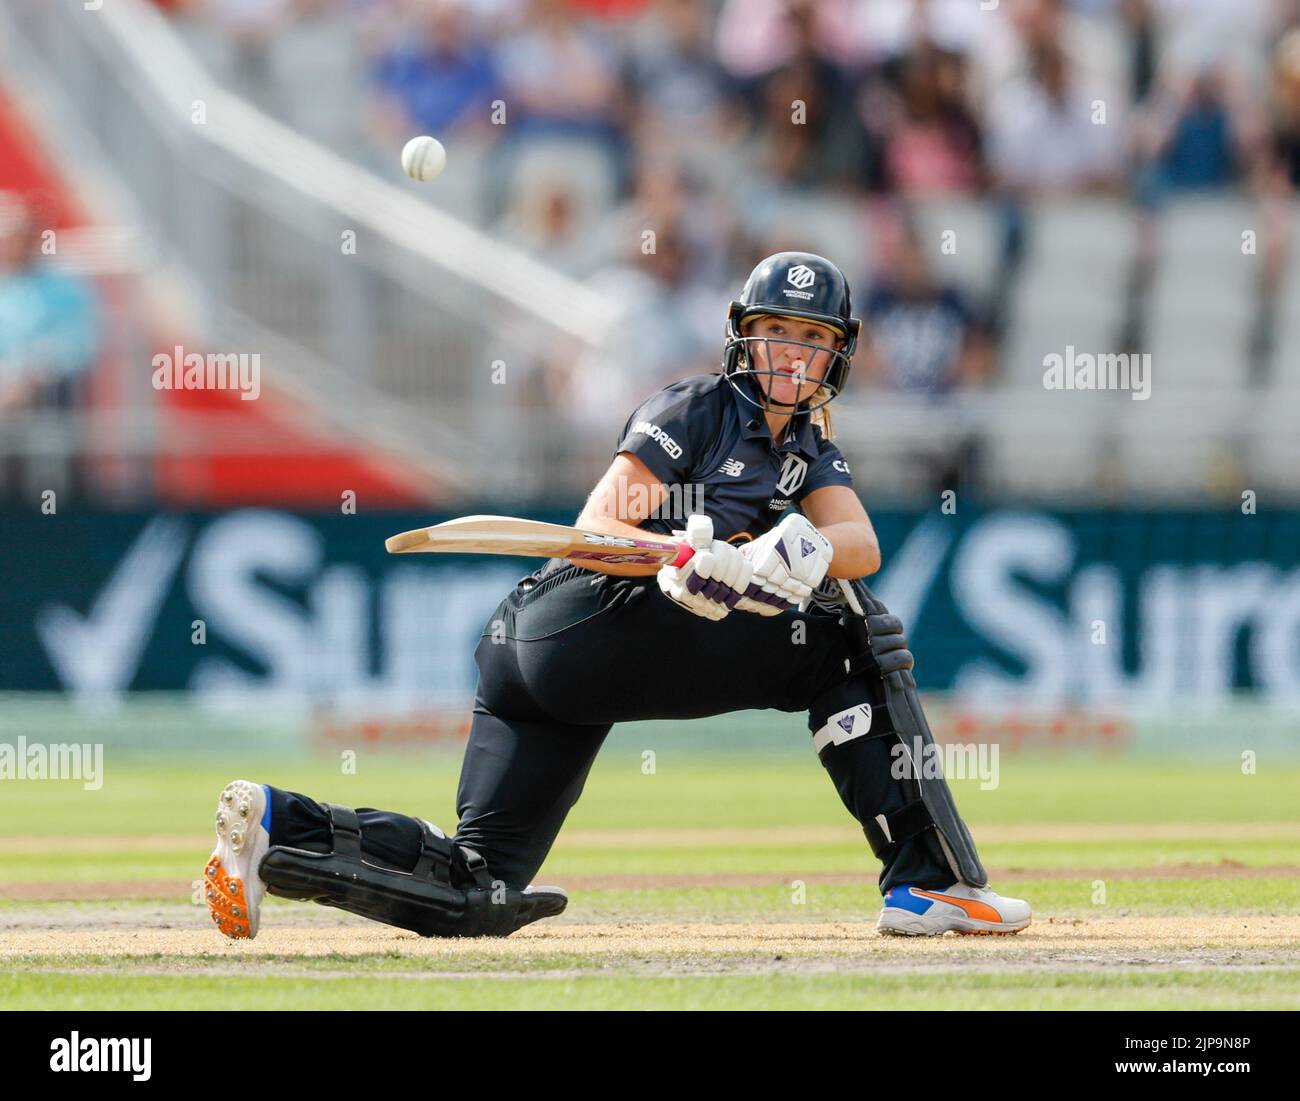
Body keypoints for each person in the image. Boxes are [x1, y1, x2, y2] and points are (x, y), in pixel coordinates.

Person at [202, 252, 1031, 940]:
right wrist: (681, 568)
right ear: (744, 337)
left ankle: (277, 826)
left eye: (810, 337)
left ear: (835, 354)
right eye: (774, 330)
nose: (789, 352)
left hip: (550, 672)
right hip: (576, 622)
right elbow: (596, 530)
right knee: (854, 631)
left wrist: (791, 547)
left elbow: (862, 545)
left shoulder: (810, 448)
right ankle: (928, 882)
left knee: (477, 889)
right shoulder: (695, 408)